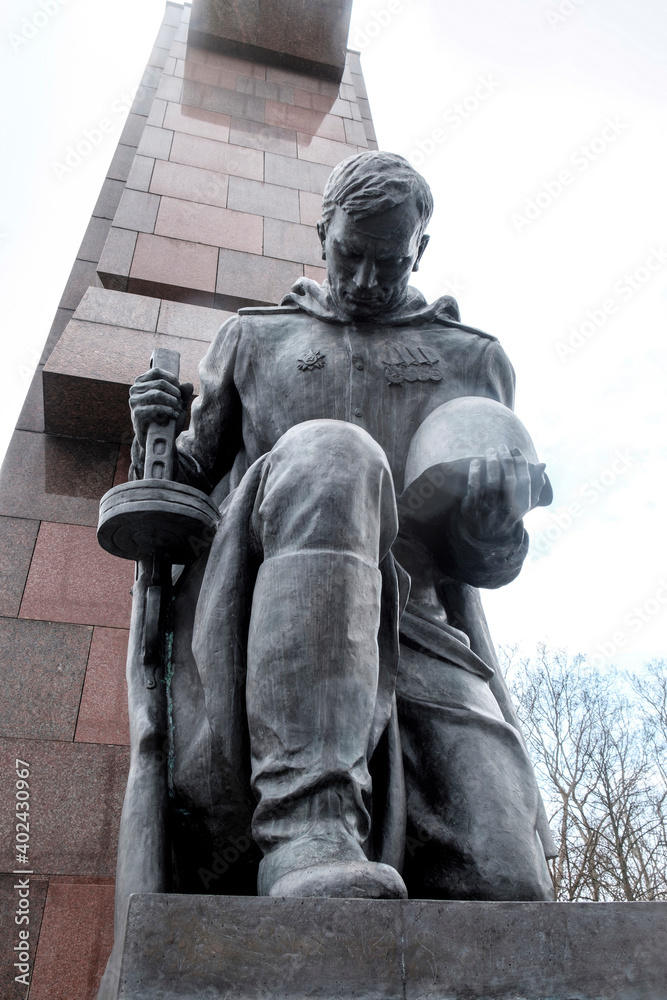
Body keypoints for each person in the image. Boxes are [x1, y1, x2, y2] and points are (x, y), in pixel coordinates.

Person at [129, 151, 555, 901]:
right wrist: (153, 438)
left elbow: (477, 564)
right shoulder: (255, 339)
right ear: (322, 230)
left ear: (419, 251)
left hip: (413, 625)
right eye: (347, 255)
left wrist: (492, 525)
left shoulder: (471, 359)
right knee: (335, 450)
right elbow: (188, 484)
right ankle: (306, 829)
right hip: (271, 612)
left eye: (387, 263)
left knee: (504, 883)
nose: (362, 280)